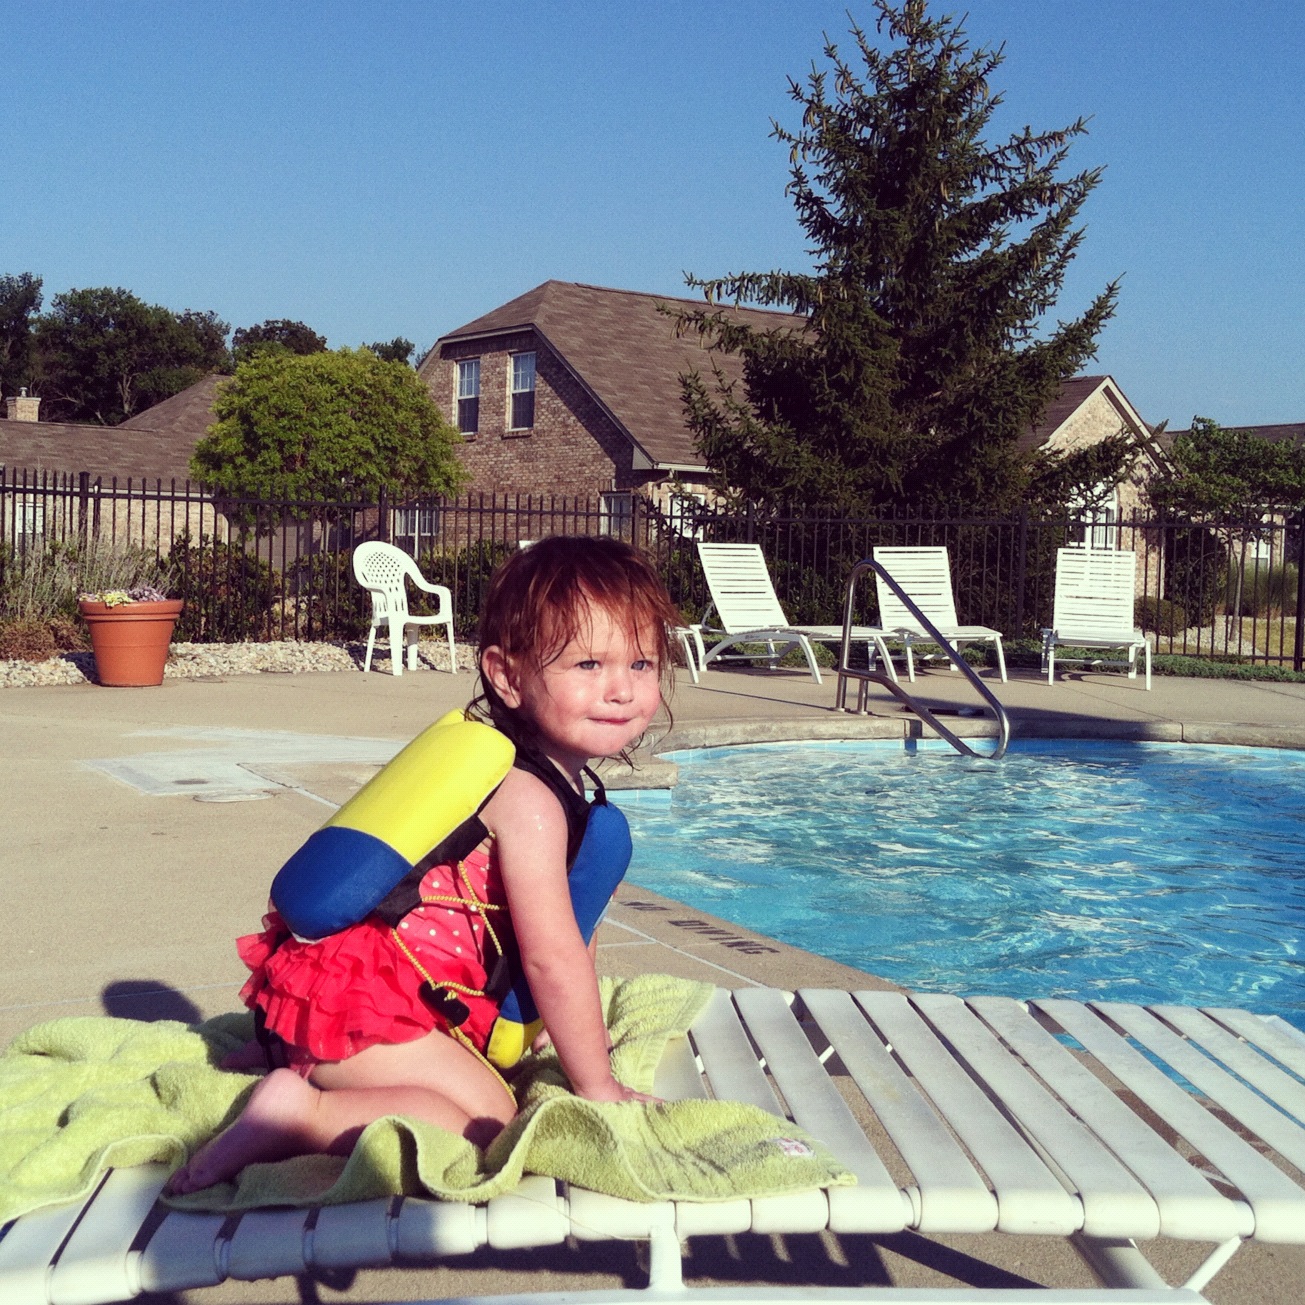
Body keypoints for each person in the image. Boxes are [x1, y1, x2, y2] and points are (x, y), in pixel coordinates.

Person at [167, 536, 680, 1194]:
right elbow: (551, 957)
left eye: (641, 662)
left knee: (474, 1094)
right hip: (366, 1007)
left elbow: (576, 921)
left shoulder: (543, 783)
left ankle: (292, 1058)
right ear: (506, 676)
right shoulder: (528, 801)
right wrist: (597, 1083)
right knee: (489, 1122)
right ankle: (300, 1113)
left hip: (337, 993)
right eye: (588, 663)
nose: (622, 688)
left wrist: (556, 1032)